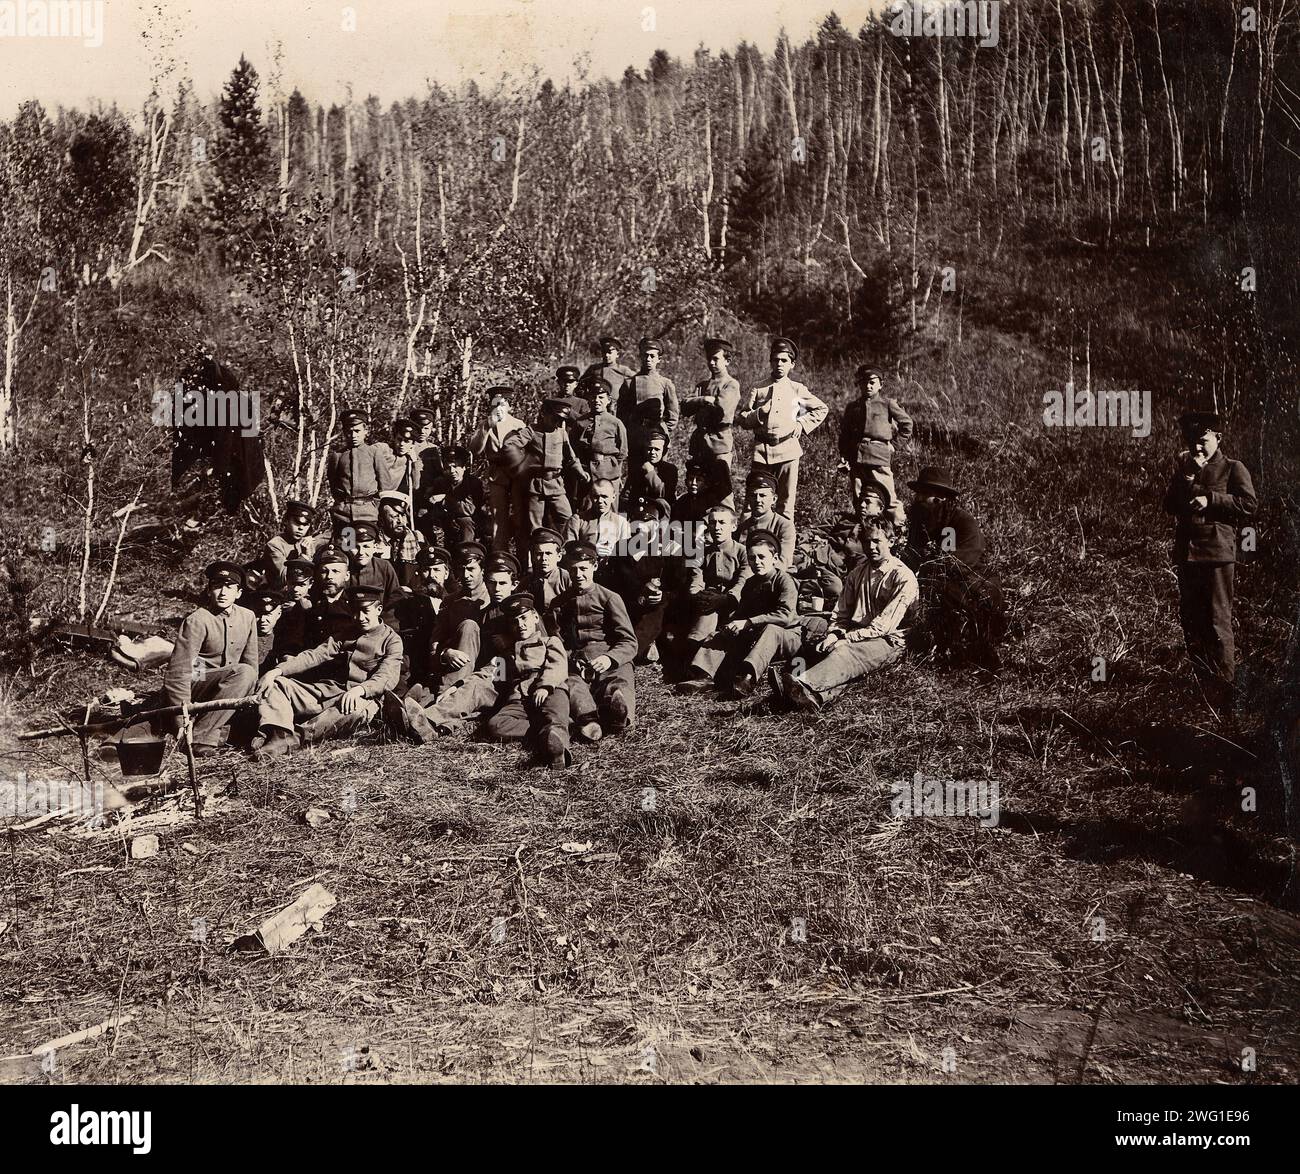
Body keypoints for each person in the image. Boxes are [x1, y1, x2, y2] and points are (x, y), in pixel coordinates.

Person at [392, 592, 576, 768]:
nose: (520, 625)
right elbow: (489, 673)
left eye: (524, 618)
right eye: (514, 622)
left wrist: (545, 686)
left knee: (554, 714)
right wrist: (458, 686)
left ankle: (558, 752)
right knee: (496, 724)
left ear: (535, 617)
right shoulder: (507, 654)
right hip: (518, 698)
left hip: (550, 691)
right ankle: (428, 721)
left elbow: (557, 665)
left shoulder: (549, 641)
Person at [1162, 410, 1257, 706]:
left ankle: (1225, 694)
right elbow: (1169, 505)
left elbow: (1250, 505)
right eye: (1192, 440)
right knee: (1192, 622)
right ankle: (1203, 690)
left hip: (1217, 556)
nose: (1197, 446)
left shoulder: (1232, 468)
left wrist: (1212, 499)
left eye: (1203, 440)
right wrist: (1187, 476)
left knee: (1218, 623)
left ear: (1218, 438)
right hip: (1188, 556)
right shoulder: (1185, 467)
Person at [775, 519, 918, 711]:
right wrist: (834, 634)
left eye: (877, 541)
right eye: (867, 541)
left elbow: (884, 627)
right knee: (824, 646)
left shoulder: (902, 577)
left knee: (844, 652)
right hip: (859, 633)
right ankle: (814, 697)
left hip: (890, 640)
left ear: (891, 542)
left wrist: (846, 639)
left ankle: (801, 685)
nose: (871, 547)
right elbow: (841, 613)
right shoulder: (857, 573)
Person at [251, 584, 403, 758]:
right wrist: (277, 671)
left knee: (355, 711)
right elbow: (315, 655)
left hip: (363, 698)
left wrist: (361, 689)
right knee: (277, 684)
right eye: (355, 611)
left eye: (365, 611)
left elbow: (387, 676)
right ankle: (279, 734)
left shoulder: (392, 640)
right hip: (328, 691)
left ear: (379, 609)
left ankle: (297, 737)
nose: (360, 617)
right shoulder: (344, 634)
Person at [902, 466, 1006, 673]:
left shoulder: (961, 521)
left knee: (960, 597)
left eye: (926, 494)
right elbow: (911, 553)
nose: (919, 498)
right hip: (931, 578)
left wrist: (930, 569)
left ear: (941, 498)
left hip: (970, 578)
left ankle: (970, 651)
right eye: (919, 493)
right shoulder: (919, 520)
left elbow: (965, 558)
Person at [677, 529, 799, 698]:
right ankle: (704, 676)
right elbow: (742, 613)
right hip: (757, 633)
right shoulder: (750, 583)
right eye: (752, 558)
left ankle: (747, 679)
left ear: (775, 558)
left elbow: (785, 616)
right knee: (721, 633)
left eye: (762, 557)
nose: (757, 562)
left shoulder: (784, 580)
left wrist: (748, 622)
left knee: (772, 630)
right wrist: (733, 625)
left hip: (786, 636)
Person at [160, 561, 259, 757]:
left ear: (239, 593)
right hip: (198, 685)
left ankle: (214, 729)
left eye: (229, 588)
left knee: (248, 674)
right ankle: (199, 738)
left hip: (230, 689)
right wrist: (182, 719)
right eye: (217, 586)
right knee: (243, 673)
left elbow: (251, 662)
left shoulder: (248, 617)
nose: (223, 593)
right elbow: (178, 673)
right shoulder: (198, 620)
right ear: (209, 590)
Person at [548, 541, 638, 734]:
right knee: (572, 684)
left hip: (609, 656)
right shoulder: (560, 602)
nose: (578, 575)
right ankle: (589, 719)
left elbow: (629, 641)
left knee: (618, 682)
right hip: (577, 660)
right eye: (573, 570)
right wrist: (570, 657)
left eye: (583, 569)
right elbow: (557, 640)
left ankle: (618, 712)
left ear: (595, 566)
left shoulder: (610, 598)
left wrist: (609, 658)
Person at [736, 337, 827, 519]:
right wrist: (760, 413)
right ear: (770, 361)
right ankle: (749, 539)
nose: (779, 364)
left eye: (784, 360)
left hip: (788, 451)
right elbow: (743, 418)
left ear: (792, 364)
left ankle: (784, 542)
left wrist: (802, 424)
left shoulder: (797, 389)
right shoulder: (759, 388)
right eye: (776, 360)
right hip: (762, 452)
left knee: (785, 502)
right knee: (754, 499)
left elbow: (821, 408)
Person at [512, 398, 589, 555]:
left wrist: (581, 472)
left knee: (568, 518)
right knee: (535, 526)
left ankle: (567, 554)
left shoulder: (561, 433)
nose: (558, 424)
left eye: (562, 420)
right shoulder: (531, 431)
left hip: (555, 484)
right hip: (535, 485)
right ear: (544, 414)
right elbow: (511, 445)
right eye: (555, 419)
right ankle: (533, 562)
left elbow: (571, 457)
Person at [418, 540, 491, 696]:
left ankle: (446, 694)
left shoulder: (494, 598)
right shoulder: (450, 602)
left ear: (483, 570)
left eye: (471, 569)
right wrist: (446, 653)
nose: (466, 575)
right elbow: (434, 645)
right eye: (462, 569)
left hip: (487, 669)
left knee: (469, 626)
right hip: (454, 666)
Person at [837, 365, 913, 511]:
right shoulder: (853, 407)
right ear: (859, 384)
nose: (868, 386)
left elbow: (907, 424)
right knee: (860, 499)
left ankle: (897, 528)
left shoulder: (887, 404)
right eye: (864, 382)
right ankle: (865, 529)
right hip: (856, 458)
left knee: (888, 497)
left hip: (879, 457)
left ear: (881, 384)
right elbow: (844, 434)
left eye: (872, 382)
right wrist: (844, 454)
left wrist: (895, 445)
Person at [467, 386, 529, 552]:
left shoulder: (518, 424)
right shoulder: (485, 424)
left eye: (502, 404)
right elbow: (475, 449)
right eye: (495, 405)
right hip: (497, 475)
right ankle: (499, 553)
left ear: (509, 406)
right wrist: (487, 427)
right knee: (498, 516)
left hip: (516, 474)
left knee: (519, 516)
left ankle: (524, 557)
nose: (499, 409)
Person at [681, 336, 740, 505]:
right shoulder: (702, 385)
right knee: (699, 485)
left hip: (718, 443)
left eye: (716, 359)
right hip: (700, 444)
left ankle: (726, 525)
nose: (712, 363)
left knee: (722, 490)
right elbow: (685, 406)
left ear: (727, 360)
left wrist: (702, 402)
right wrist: (704, 400)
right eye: (709, 359)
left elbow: (721, 409)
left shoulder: (731, 384)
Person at [326, 408, 397, 534]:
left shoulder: (374, 453)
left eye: (357, 431)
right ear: (344, 432)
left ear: (366, 431)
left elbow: (385, 487)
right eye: (349, 432)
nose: (353, 435)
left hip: (368, 513)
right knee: (347, 547)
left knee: (367, 547)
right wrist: (342, 504)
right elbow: (334, 484)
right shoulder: (337, 456)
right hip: (343, 514)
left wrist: (378, 507)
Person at [617, 337, 679, 453]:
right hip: (635, 436)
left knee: (659, 469)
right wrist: (631, 431)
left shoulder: (665, 383)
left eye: (652, 356)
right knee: (637, 469)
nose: (648, 359)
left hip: (657, 437)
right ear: (640, 356)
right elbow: (621, 414)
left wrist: (662, 430)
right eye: (645, 355)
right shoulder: (629, 383)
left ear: (659, 359)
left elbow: (673, 415)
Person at [575, 374, 628, 501]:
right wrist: (580, 469)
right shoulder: (580, 422)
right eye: (593, 397)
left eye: (601, 397)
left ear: (608, 400)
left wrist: (613, 468)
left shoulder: (615, 423)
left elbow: (623, 451)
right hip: (586, 472)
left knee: (609, 510)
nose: (597, 400)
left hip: (608, 472)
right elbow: (573, 449)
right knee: (586, 507)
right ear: (588, 399)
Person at [421, 444, 486, 548]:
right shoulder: (440, 482)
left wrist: (445, 499)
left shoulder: (473, 483)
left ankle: (467, 553)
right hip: (446, 519)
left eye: (456, 467)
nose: (452, 472)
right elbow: (432, 504)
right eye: (448, 468)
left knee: (465, 521)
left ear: (464, 467)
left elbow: (469, 509)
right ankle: (432, 551)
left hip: (470, 520)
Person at [736, 470, 796, 570]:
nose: (758, 500)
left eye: (762, 495)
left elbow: (782, 562)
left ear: (774, 499)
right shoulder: (743, 527)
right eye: (753, 496)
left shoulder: (783, 526)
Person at [348, 521, 403, 627]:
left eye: (366, 546)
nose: (361, 552)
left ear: (375, 547)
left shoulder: (384, 566)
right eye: (356, 547)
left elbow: (395, 597)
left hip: (381, 625)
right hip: (351, 624)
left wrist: (380, 624)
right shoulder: (345, 568)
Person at [263, 499, 324, 589]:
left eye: (305, 525)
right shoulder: (275, 545)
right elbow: (285, 578)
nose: (301, 528)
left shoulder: (308, 543)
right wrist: (304, 557)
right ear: (286, 521)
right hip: (281, 594)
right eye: (297, 523)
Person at [565, 478, 631, 558]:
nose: (600, 500)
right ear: (590, 497)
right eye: (596, 496)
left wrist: (612, 552)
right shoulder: (578, 519)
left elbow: (624, 554)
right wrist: (592, 550)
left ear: (613, 497)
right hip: (584, 565)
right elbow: (569, 548)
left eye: (604, 496)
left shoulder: (622, 522)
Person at [622, 426, 679, 509]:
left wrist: (650, 473)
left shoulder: (670, 470)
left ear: (663, 451)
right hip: (638, 514)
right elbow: (626, 496)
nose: (652, 452)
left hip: (660, 514)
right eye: (649, 448)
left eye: (657, 449)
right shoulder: (638, 468)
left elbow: (664, 494)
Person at [378, 491, 421, 589]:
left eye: (403, 516)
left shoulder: (417, 539)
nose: (400, 521)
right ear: (382, 519)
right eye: (394, 516)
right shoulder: (374, 541)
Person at [582, 335, 636, 402]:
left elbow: (637, 381)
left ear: (617, 354)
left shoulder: (624, 370)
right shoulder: (593, 369)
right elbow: (581, 385)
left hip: (616, 406)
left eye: (610, 352)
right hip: (596, 404)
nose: (607, 355)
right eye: (604, 352)